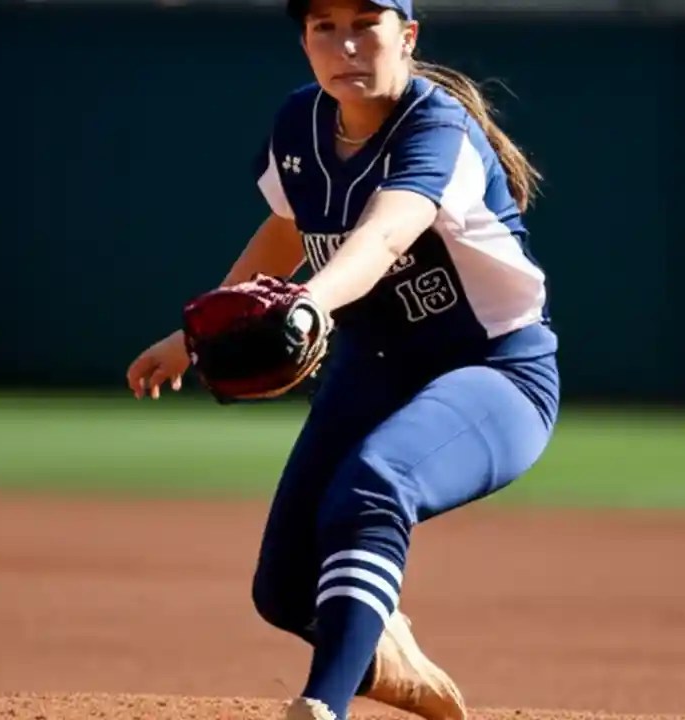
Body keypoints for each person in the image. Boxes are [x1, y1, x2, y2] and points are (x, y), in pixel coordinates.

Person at [126, 0, 559, 716]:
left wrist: (310, 303)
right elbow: (287, 227)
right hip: (374, 364)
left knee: (374, 485)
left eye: (366, 23)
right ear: (303, 41)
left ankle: (321, 707)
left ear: (408, 36)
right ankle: (390, 651)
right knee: (284, 590)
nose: (345, 44)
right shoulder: (301, 122)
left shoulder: (436, 128)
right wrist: (192, 336)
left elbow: (384, 239)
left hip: (495, 370)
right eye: (323, 26)